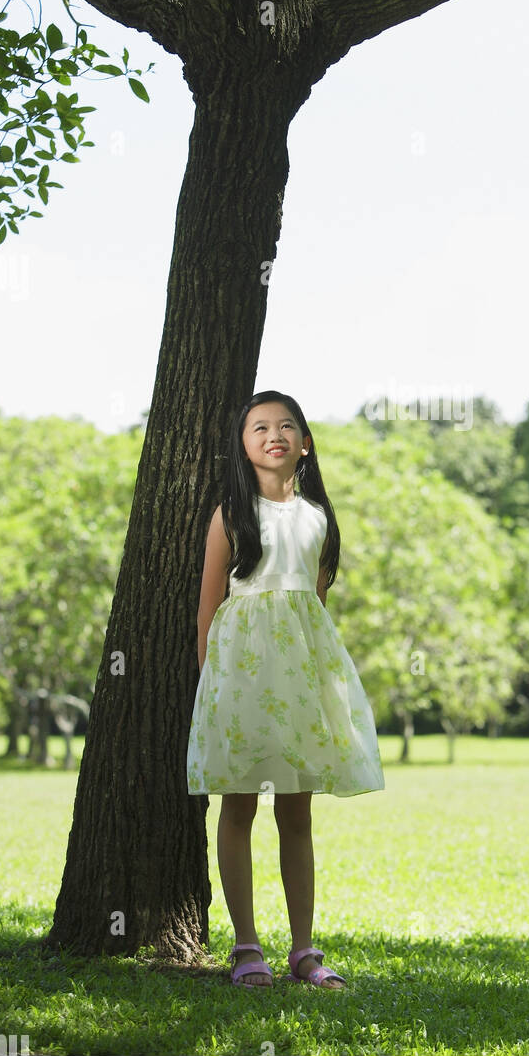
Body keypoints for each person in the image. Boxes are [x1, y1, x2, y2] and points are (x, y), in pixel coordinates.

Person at [187, 390, 385, 990]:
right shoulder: (230, 514)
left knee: (296, 811)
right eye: (258, 428)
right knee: (240, 804)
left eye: (286, 426)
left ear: (306, 442)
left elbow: (313, 608)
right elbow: (207, 611)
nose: (273, 435)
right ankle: (246, 947)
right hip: (241, 678)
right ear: (243, 447)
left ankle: (304, 949)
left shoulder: (319, 518)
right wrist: (210, 688)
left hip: (298, 683)